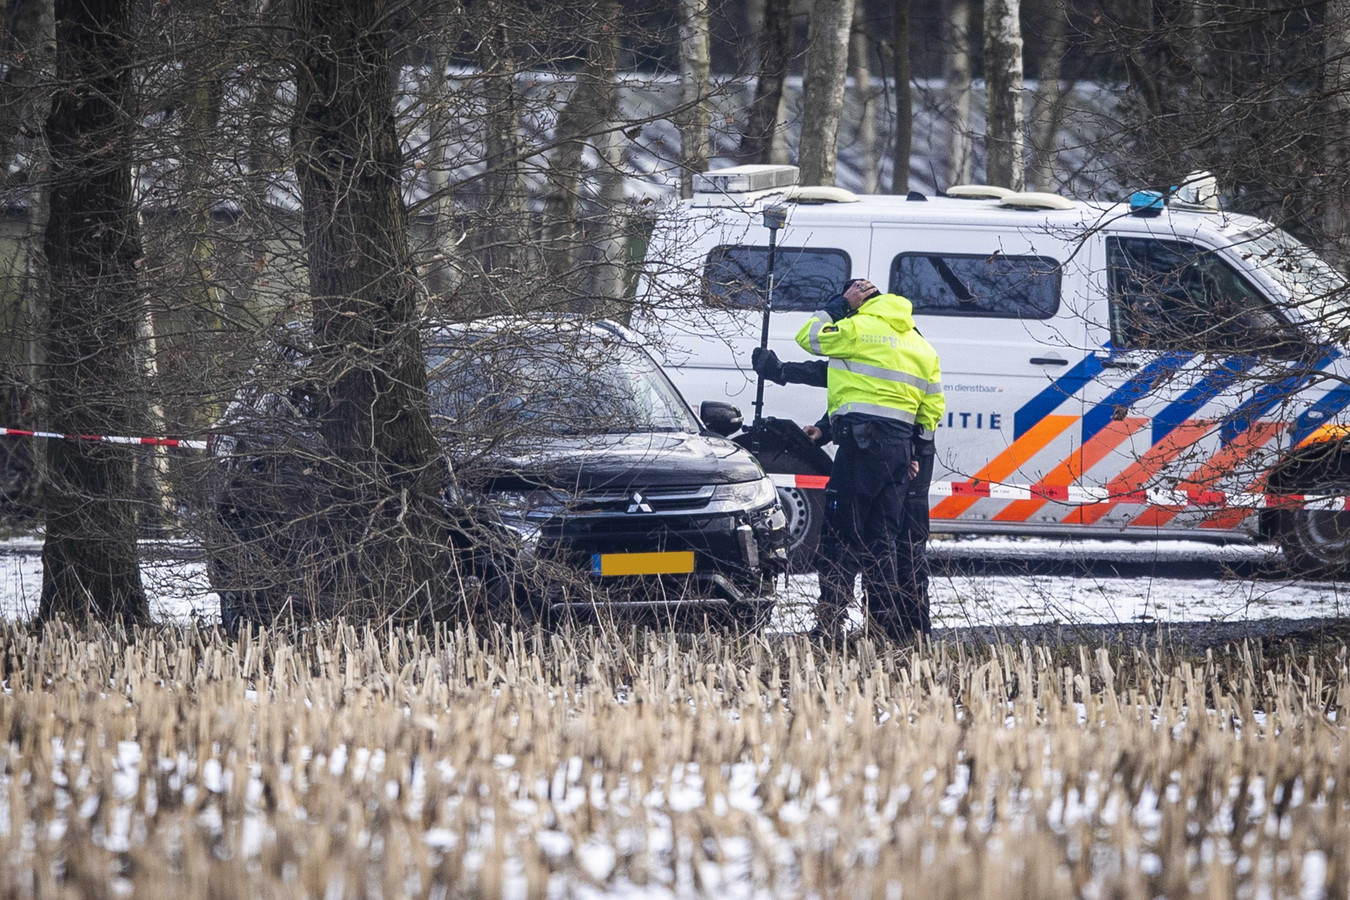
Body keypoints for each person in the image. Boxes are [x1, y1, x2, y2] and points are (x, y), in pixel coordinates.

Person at [751, 278, 943, 641]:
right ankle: (886, 627)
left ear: (858, 300)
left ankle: (829, 624)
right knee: (882, 542)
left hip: (860, 451)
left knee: (840, 538)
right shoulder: (919, 344)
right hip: (900, 456)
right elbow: (924, 405)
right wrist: (915, 452)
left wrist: (839, 303)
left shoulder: (857, 328)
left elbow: (810, 336)